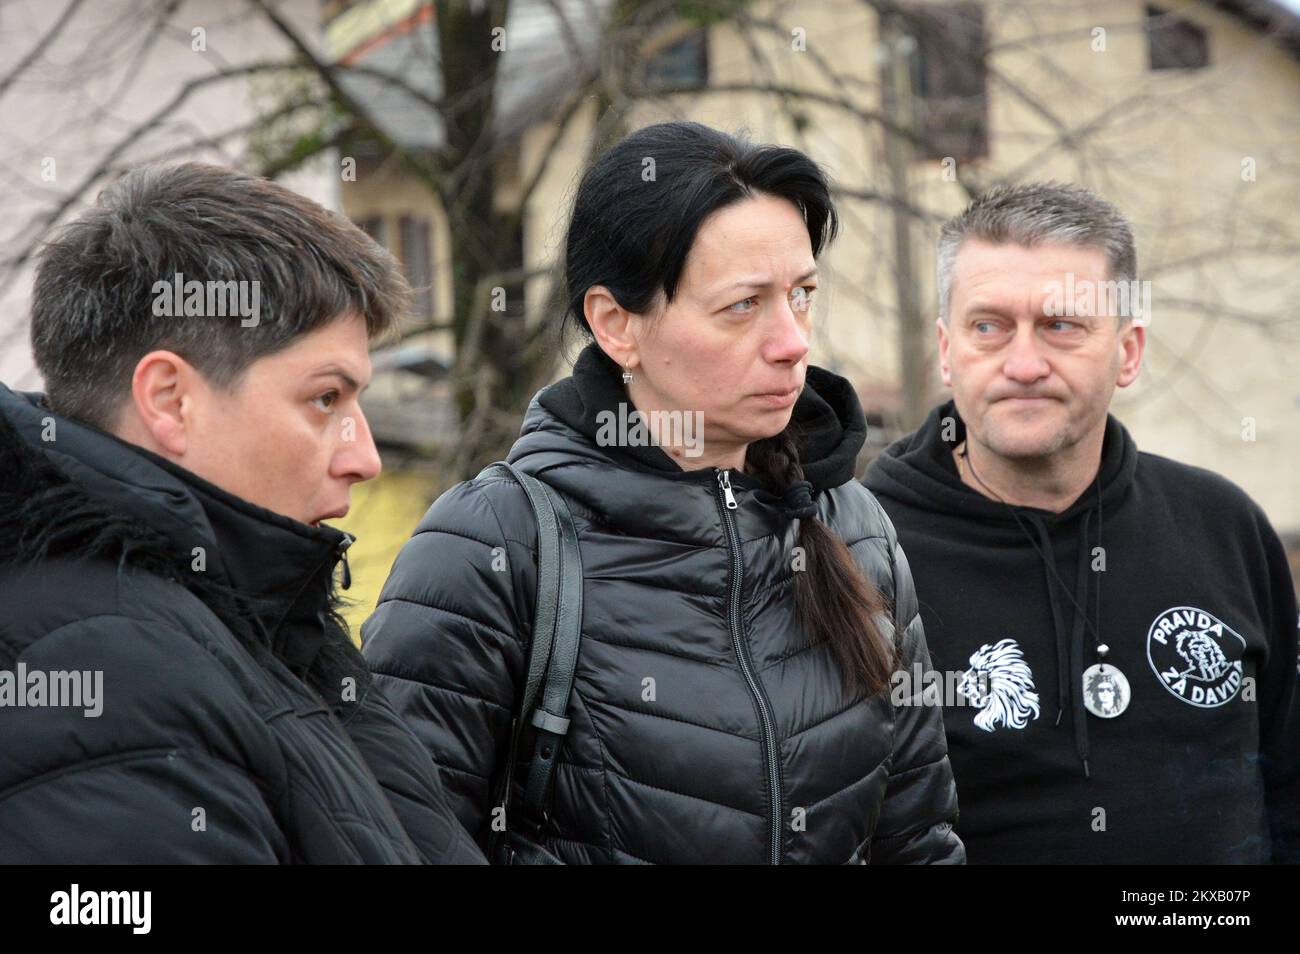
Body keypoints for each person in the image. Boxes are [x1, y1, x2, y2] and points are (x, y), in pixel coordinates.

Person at [362, 121, 964, 865]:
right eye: (743, 305)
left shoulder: (854, 527)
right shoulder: (492, 547)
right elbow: (397, 843)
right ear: (616, 325)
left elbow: (919, 839)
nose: (792, 340)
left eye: (802, 294)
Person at [0, 163, 483, 864]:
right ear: (170, 400)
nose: (366, 456)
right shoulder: (105, 675)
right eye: (325, 399)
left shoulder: (263, 628)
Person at [864, 182, 1299, 863]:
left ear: (1128, 351)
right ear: (947, 352)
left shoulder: (1225, 527)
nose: (1025, 364)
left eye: (1062, 325)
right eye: (989, 327)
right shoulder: (862, 554)